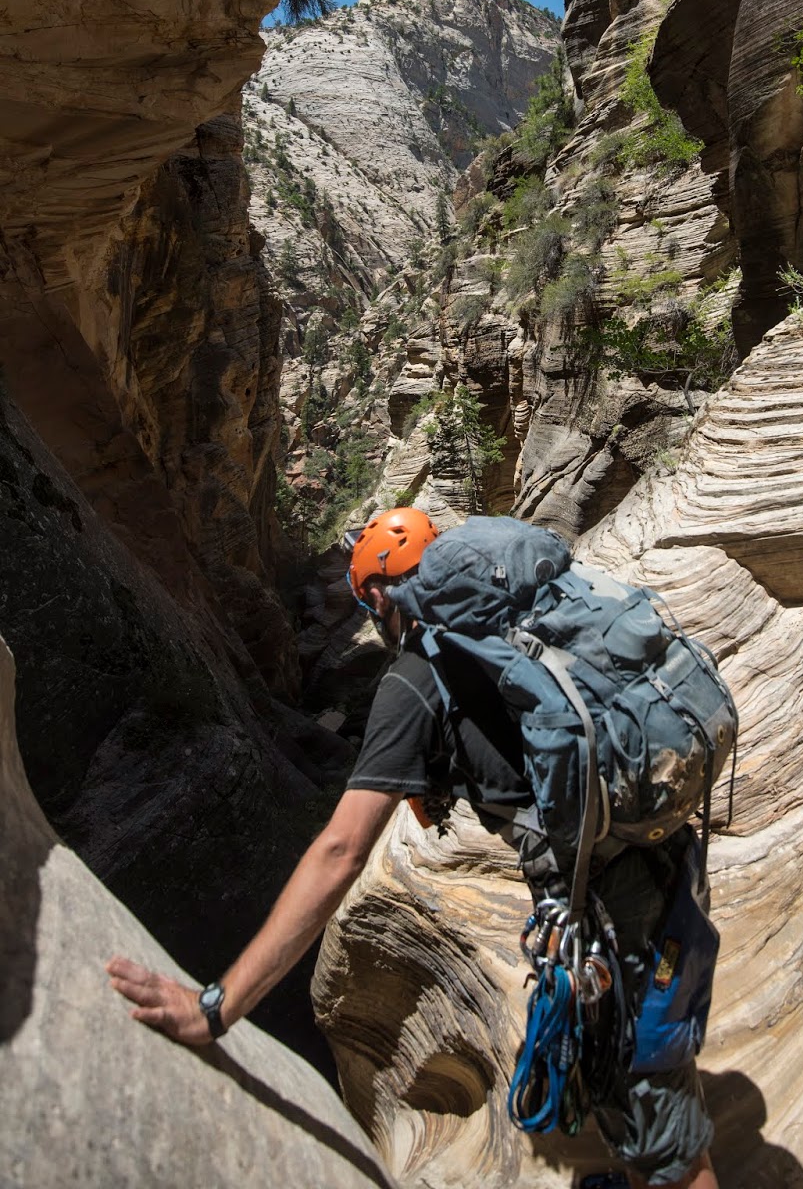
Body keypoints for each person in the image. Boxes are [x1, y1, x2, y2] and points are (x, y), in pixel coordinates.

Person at [107, 507, 719, 1189]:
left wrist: (216, 1007)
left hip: (605, 899)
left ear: (376, 595)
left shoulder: (412, 681)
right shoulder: (506, 629)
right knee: (634, 1065)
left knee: (659, 1123)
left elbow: (341, 851)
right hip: (652, 842)